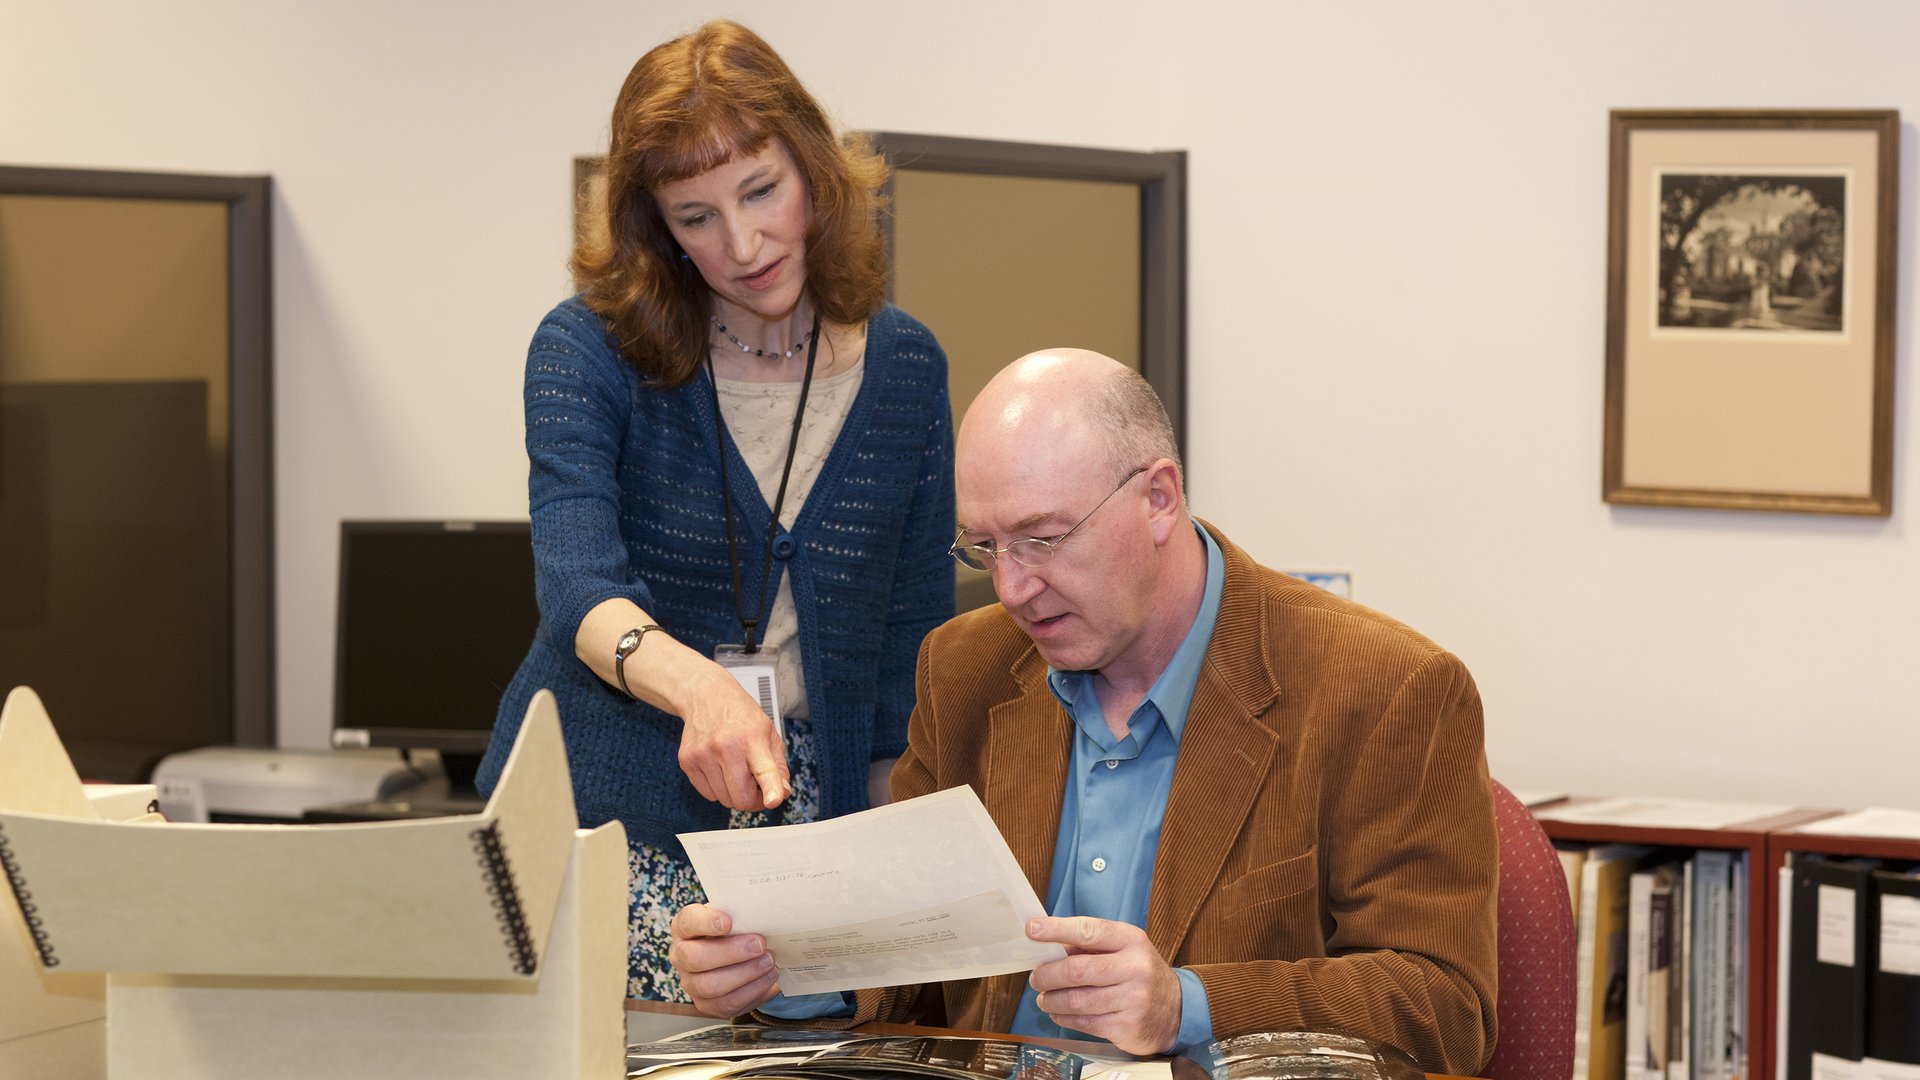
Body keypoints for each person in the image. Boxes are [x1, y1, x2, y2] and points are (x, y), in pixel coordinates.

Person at [666, 350, 1498, 1074]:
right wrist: (784, 977)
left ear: (1160, 498)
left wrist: (1187, 1005)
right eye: (985, 547)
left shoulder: (1385, 688)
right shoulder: (967, 668)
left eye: (1044, 538)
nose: (1012, 588)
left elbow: (1444, 1006)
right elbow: (917, 963)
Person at [474, 20, 954, 1002]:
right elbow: (577, 586)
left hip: (805, 824)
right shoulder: (586, 350)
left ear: (813, 169)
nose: (740, 245)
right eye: (695, 217)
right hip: (598, 817)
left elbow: (913, 633)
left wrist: (898, 870)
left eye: (761, 191)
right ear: (656, 226)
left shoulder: (906, 368)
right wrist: (699, 690)